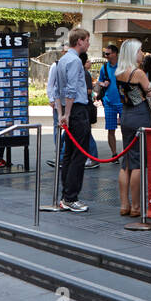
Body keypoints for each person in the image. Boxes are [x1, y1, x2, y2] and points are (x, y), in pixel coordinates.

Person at [115, 39, 151, 217]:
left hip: (125, 115)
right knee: (138, 162)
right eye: (140, 51)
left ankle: (124, 204)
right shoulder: (138, 73)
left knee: (126, 162)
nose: (142, 54)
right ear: (133, 53)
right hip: (140, 115)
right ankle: (136, 207)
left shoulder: (118, 72)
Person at [56, 29, 93, 212]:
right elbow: (70, 89)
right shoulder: (75, 61)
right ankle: (71, 197)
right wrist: (67, 114)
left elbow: (57, 90)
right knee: (78, 155)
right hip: (77, 111)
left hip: (71, 110)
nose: (88, 44)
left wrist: (61, 113)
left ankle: (66, 195)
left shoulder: (62, 60)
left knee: (69, 155)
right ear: (79, 41)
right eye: (87, 40)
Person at [96, 44, 121, 158]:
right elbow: (99, 81)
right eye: (105, 54)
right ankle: (114, 154)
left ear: (115, 54)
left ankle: (127, 153)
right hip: (109, 102)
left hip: (122, 102)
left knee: (127, 129)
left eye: (108, 53)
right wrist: (102, 84)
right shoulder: (104, 68)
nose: (106, 56)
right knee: (111, 129)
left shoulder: (122, 66)